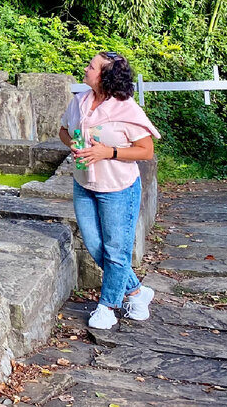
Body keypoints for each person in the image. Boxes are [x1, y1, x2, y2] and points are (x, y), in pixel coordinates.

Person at [58, 51, 160, 330]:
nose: (86, 68)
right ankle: (137, 292)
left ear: (105, 76)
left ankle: (108, 306)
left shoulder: (126, 109)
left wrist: (108, 151)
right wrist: (72, 144)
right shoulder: (79, 101)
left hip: (118, 189)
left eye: (91, 66)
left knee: (116, 250)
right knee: (95, 245)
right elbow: (63, 131)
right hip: (84, 184)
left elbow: (146, 150)